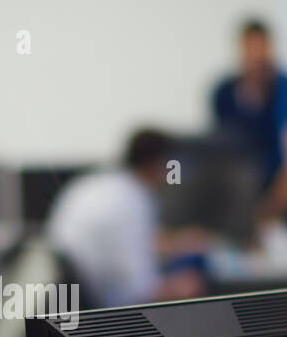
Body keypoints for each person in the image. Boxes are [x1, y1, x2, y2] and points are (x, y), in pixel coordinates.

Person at [46, 129, 206, 308]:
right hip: (101, 305)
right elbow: (140, 290)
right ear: (156, 164)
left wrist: (176, 244)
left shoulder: (97, 184)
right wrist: (183, 287)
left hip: (67, 292)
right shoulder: (134, 200)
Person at [209, 18, 287, 242]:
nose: (256, 58)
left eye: (261, 49)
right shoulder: (223, 94)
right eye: (250, 50)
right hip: (235, 219)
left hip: (284, 218)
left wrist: (264, 217)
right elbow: (218, 159)